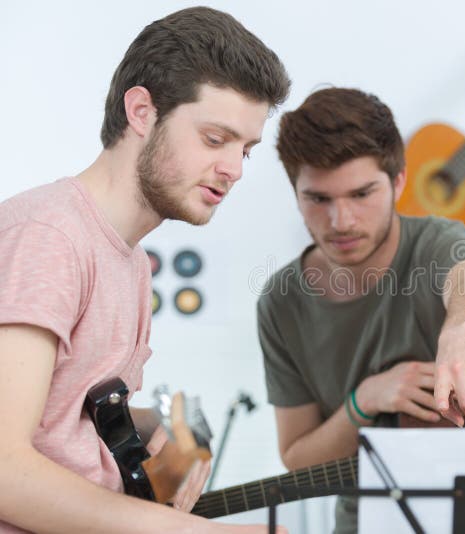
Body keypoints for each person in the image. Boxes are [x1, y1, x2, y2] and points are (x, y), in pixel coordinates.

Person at [0, 7, 291, 533]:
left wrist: (148, 433)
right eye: (215, 138)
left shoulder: (129, 260)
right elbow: (4, 471)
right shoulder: (49, 238)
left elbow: (59, 419)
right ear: (141, 111)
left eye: (246, 150)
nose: (235, 169)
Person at [258, 87, 465, 533]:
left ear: (398, 182)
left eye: (361, 193)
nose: (341, 221)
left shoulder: (437, 241)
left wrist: (462, 331)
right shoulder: (280, 303)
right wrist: (365, 400)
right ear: (295, 192)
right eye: (318, 199)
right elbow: (298, 459)